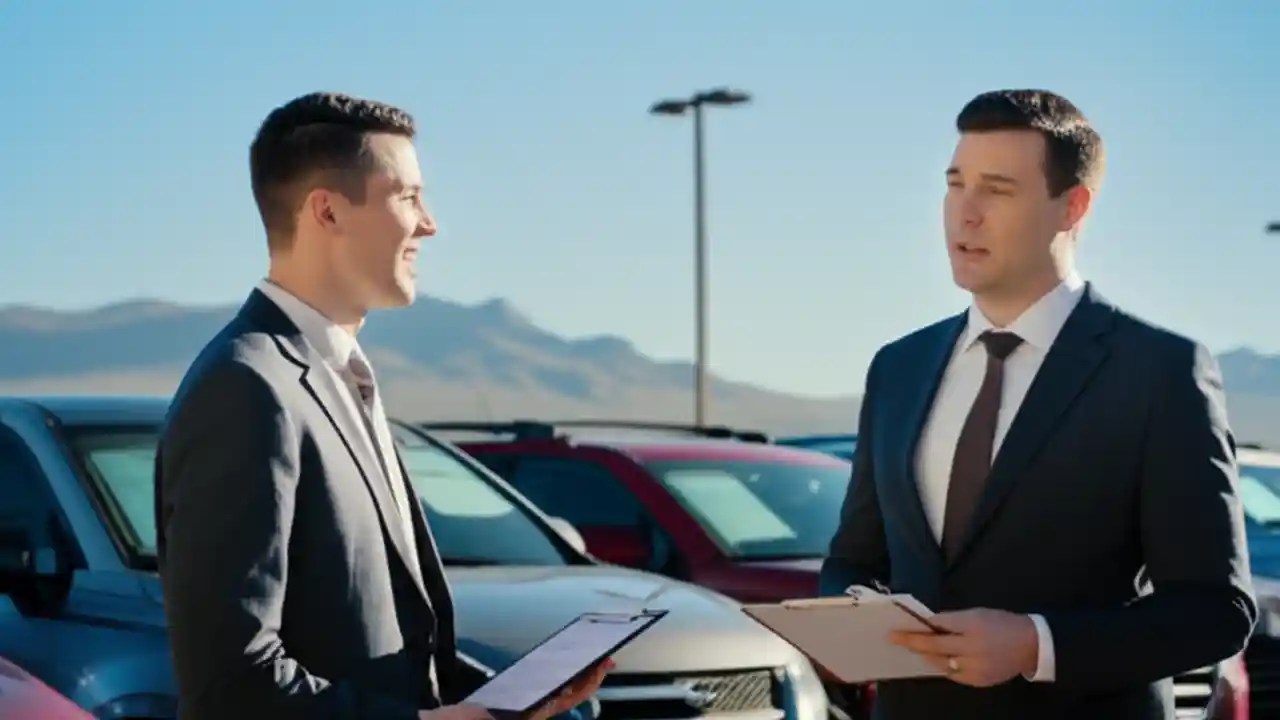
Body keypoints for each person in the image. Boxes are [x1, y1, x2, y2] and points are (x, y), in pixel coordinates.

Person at [154, 91, 610, 720]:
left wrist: (509, 702)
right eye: (408, 197)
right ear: (328, 212)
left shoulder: (342, 378)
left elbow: (397, 651)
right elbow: (230, 684)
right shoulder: (246, 387)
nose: (430, 223)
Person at [819, 89, 1257, 718]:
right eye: (954, 184)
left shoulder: (1160, 372)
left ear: (1071, 207)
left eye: (997, 190)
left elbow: (1216, 611)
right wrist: (845, 624)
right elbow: (854, 559)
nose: (963, 214)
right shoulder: (899, 367)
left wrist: (1036, 645)